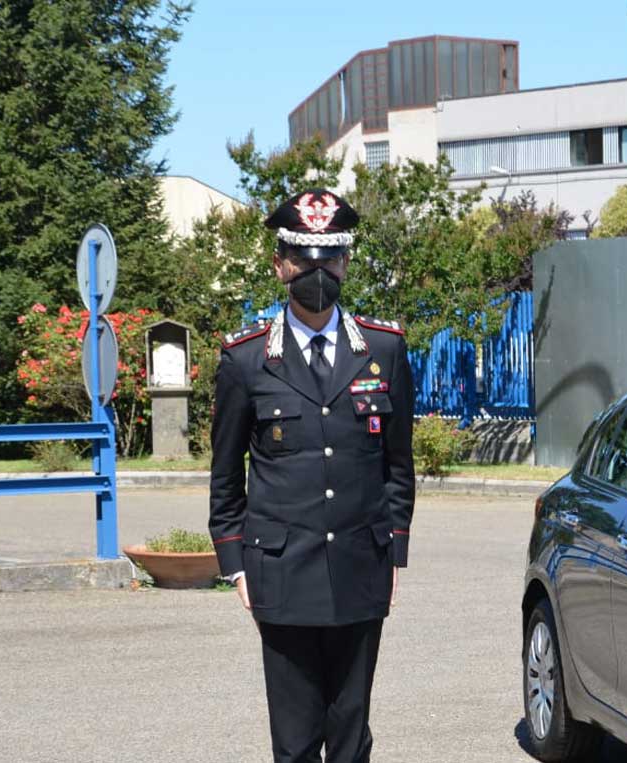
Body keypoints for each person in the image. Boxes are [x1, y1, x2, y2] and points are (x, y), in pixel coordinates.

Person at [209, 189, 415, 763]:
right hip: (280, 571)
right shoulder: (246, 359)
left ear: (345, 263)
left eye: (329, 258)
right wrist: (235, 565)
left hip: (360, 567)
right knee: (295, 741)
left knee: (351, 736)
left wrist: (394, 553)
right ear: (279, 265)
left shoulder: (383, 349)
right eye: (303, 259)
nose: (316, 272)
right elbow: (225, 475)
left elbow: (398, 465)